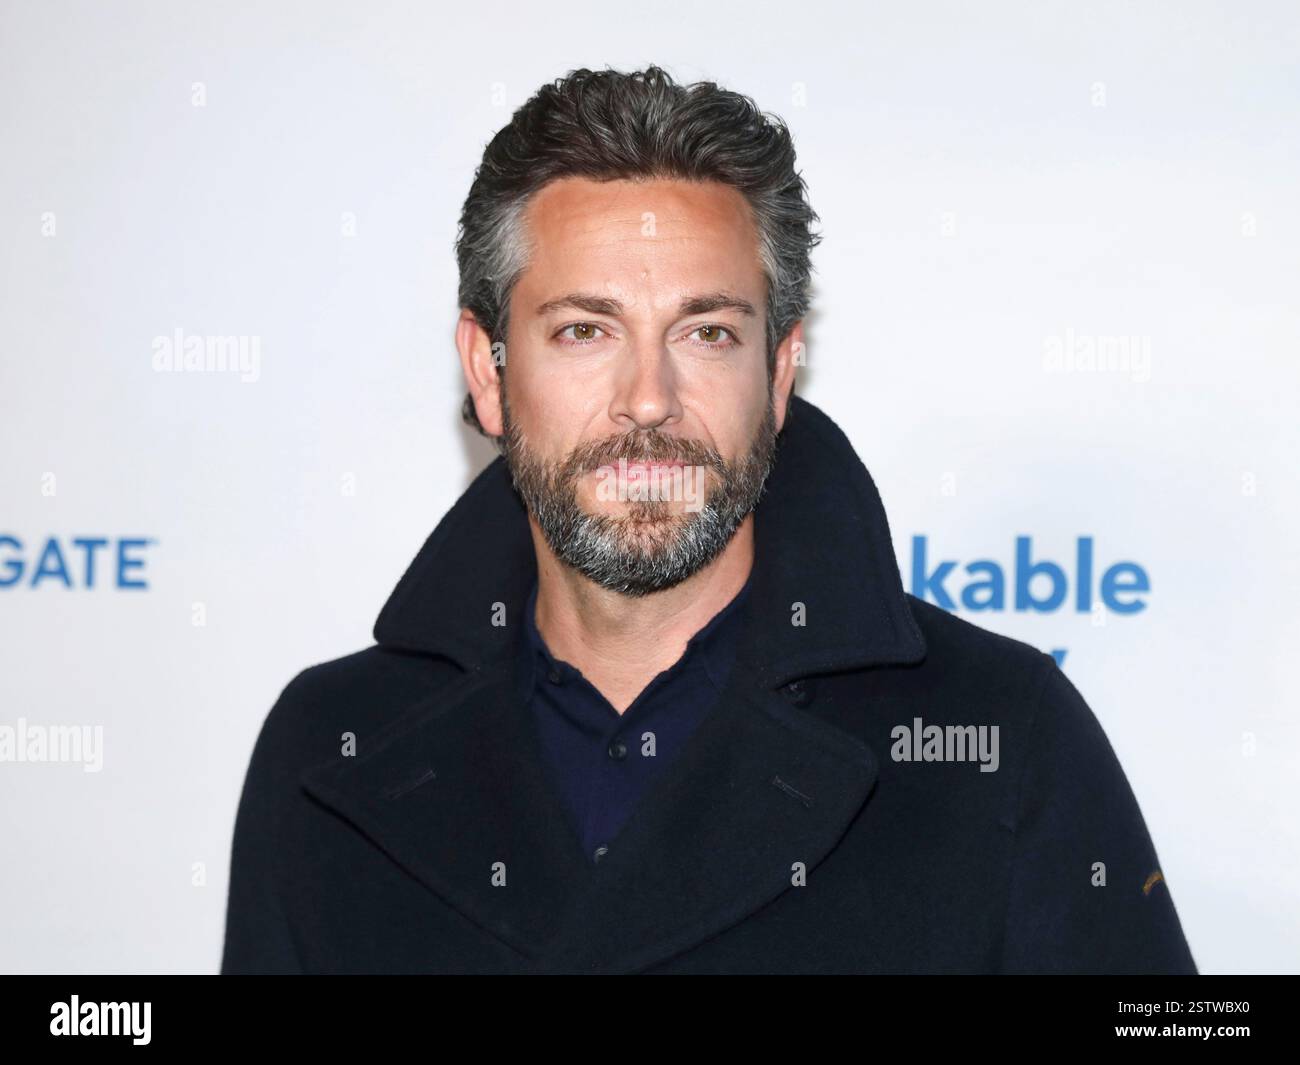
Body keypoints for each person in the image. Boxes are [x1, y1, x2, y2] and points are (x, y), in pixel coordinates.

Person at [221, 65, 1196, 974]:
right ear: (488, 371)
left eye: (707, 332)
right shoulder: (331, 745)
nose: (648, 398)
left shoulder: (997, 732)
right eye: (583, 331)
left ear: (777, 374)